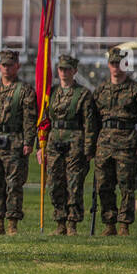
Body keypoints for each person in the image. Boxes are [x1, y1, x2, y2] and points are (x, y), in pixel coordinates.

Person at [92, 47, 137, 236]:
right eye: (113, 63)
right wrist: (91, 143)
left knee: (126, 185)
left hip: (127, 142)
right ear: (108, 65)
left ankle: (124, 224)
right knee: (103, 184)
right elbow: (92, 119)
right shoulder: (101, 91)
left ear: (125, 65)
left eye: (119, 64)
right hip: (104, 143)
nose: (116, 68)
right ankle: (109, 223)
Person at [38, 55, 99, 235]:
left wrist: (89, 149)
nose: (64, 73)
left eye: (67, 69)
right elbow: (43, 120)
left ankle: (72, 222)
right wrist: (40, 146)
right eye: (61, 69)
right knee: (55, 182)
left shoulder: (83, 94)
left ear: (74, 71)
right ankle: (60, 222)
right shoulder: (52, 92)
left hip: (75, 142)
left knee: (74, 183)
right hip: (54, 140)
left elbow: (89, 123)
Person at [0, 50, 36, 235]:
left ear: (17, 66)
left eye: (10, 65)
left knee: (13, 184)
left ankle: (12, 223)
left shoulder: (24, 90)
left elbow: (30, 119)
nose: (6, 68)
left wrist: (29, 141)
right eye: (4, 65)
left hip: (14, 142)